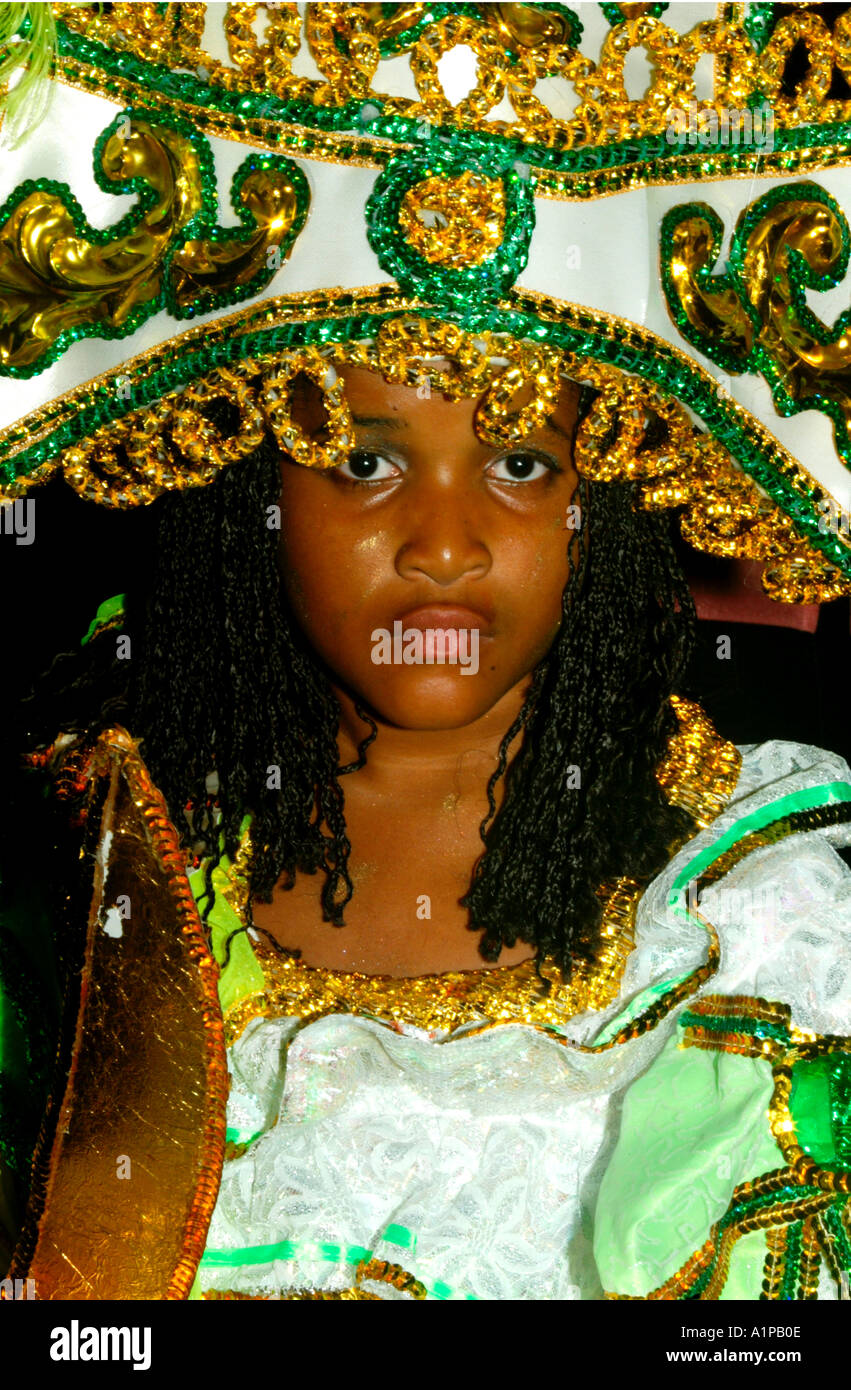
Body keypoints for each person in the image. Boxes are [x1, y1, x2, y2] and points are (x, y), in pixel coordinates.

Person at [0, 1, 849, 1302]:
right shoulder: (107, 862)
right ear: (255, 496)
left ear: (602, 500)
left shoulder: (757, 924)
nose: (441, 542)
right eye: (366, 460)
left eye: (518, 462)